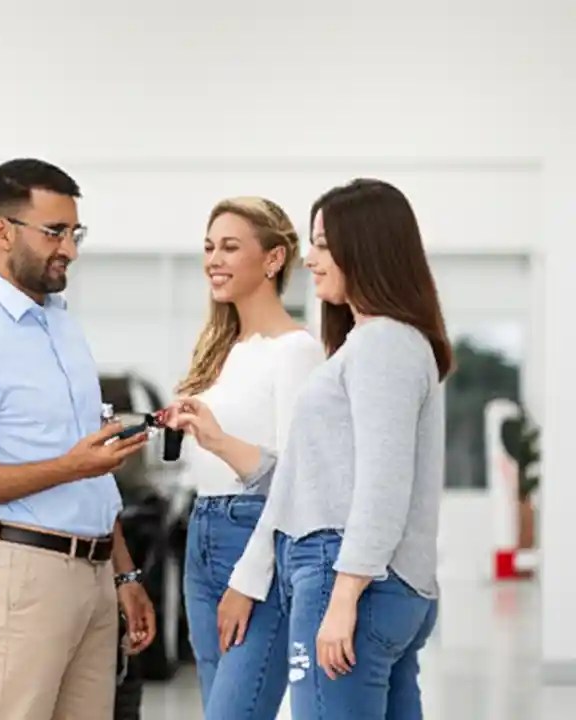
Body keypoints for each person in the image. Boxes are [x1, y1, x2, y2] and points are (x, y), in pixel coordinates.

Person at [162, 178, 452, 719]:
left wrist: (343, 597)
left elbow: (383, 485)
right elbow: (314, 474)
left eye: (322, 244)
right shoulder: (379, 343)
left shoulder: (382, 344)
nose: (311, 259)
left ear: (364, 248)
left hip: (348, 576)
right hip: (368, 579)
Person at [0, 157, 157, 720]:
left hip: (93, 576)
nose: (69, 249)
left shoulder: (62, 327)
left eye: (75, 233)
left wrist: (124, 573)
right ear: (2, 231)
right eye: (54, 232)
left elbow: (93, 472)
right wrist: (69, 466)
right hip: (20, 577)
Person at [174, 197, 324, 718]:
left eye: (230, 247)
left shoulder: (297, 351)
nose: (213, 260)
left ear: (274, 259)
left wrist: (248, 579)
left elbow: (296, 482)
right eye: (209, 247)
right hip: (202, 534)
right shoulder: (222, 351)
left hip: (257, 542)